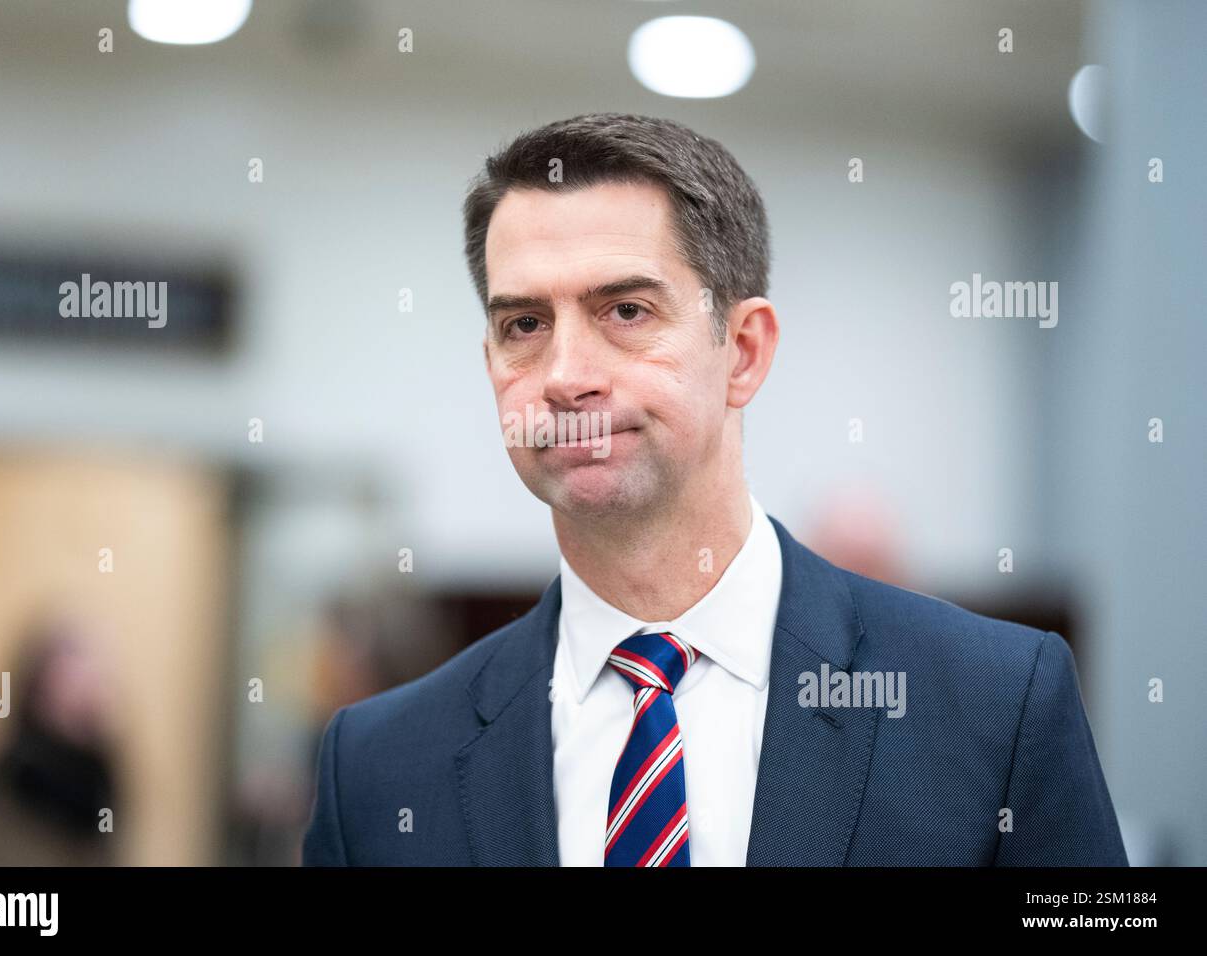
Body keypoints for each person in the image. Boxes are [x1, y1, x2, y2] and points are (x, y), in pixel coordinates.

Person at [302, 112, 1127, 866]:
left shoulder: (993, 706)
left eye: (625, 311)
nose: (565, 377)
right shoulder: (378, 768)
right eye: (524, 325)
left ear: (742, 351)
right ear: (492, 366)